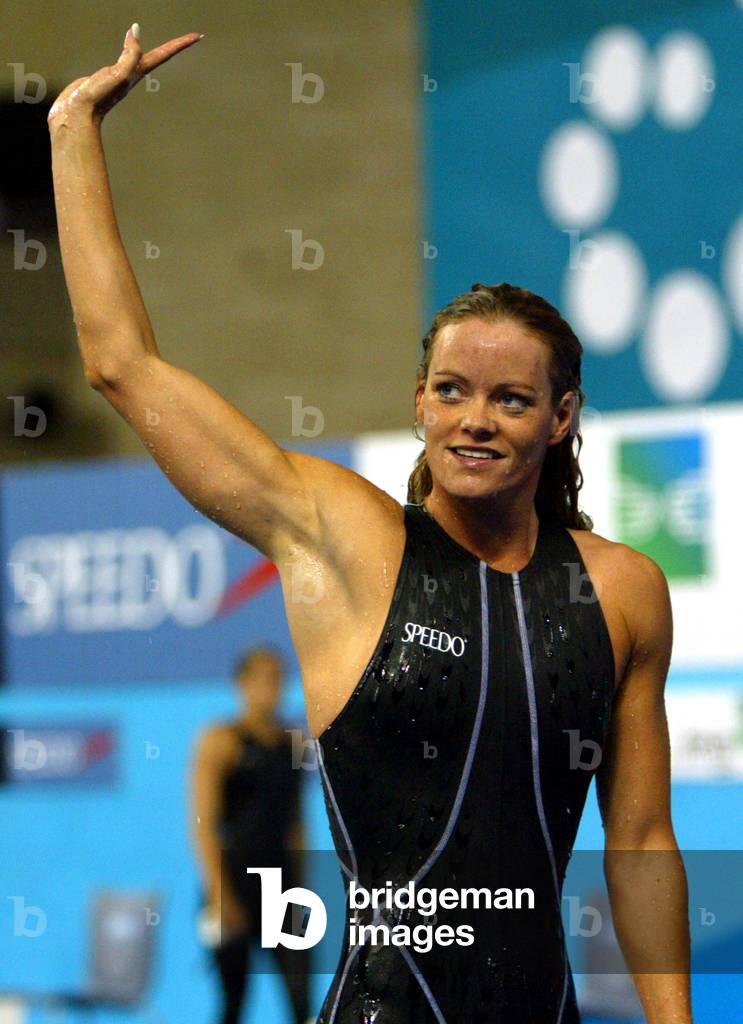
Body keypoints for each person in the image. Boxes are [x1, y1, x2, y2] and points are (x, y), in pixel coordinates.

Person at [47, 24, 693, 1024]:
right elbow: (121, 365)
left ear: (560, 416)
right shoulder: (343, 541)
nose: (474, 420)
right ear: (419, 400)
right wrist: (70, 131)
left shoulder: (621, 591)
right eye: (451, 390)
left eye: (510, 399)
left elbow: (641, 840)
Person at [190, 645, 312, 1024]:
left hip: (282, 886)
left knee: (301, 997)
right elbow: (204, 826)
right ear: (240, 684)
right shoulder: (219, 741)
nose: (271, 687)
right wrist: (218, 895)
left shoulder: (296, 742)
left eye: (277, 678)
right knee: (234, 1000)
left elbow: (296, 823)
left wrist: (302, 888)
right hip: (232, 881)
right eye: (262, 679)